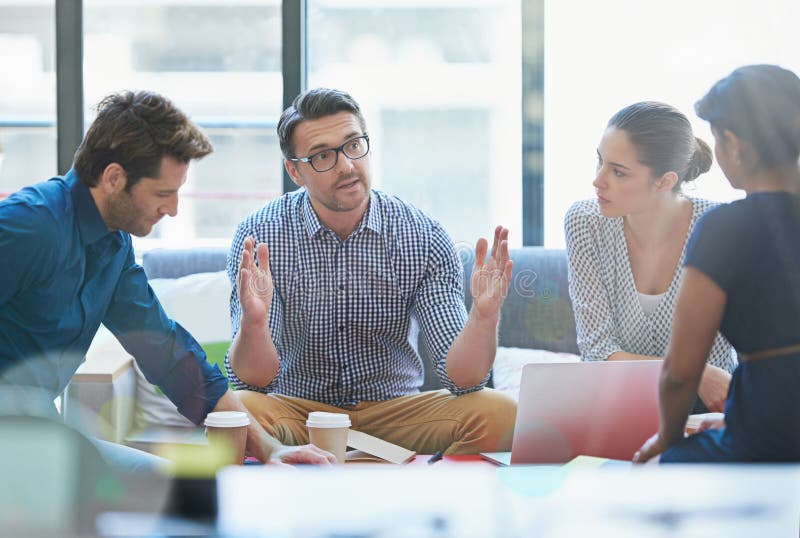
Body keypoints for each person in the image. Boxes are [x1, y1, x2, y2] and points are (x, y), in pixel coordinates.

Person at [0, 90, 335, 469]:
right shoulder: (30, 226)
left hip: (36, 440)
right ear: (114, 178)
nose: (173, 209)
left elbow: (167, 352)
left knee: (187, 492)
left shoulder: (113, 243)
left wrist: (268, 447)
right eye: (163, 193)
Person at [224, 88, 517, 455]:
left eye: (353, 145)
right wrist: (253, 323)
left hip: (396, 415)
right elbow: (253, 380)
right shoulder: (261, 237)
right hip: (301, 415)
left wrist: (483, 317)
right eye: (322, 156)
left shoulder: (421, 234)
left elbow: (462, 379)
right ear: (295, 171)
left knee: (500, 412)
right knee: (240, 411)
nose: (346, 165)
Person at [635, 65, 800, 463]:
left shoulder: (724, 227)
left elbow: (681, 371)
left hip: (770, 436)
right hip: (761, 423)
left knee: (661, 466)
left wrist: (667, 441)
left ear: (733, 143)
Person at [564, 101, 737, 413]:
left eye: (618, 172)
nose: (598, 180)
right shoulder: (584, 222)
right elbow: (598, 353)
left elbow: (721, 363)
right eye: (600, 162)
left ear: (665, 181)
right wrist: (695, 373)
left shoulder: (720, 227)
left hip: (708, 411)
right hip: (619, 405)